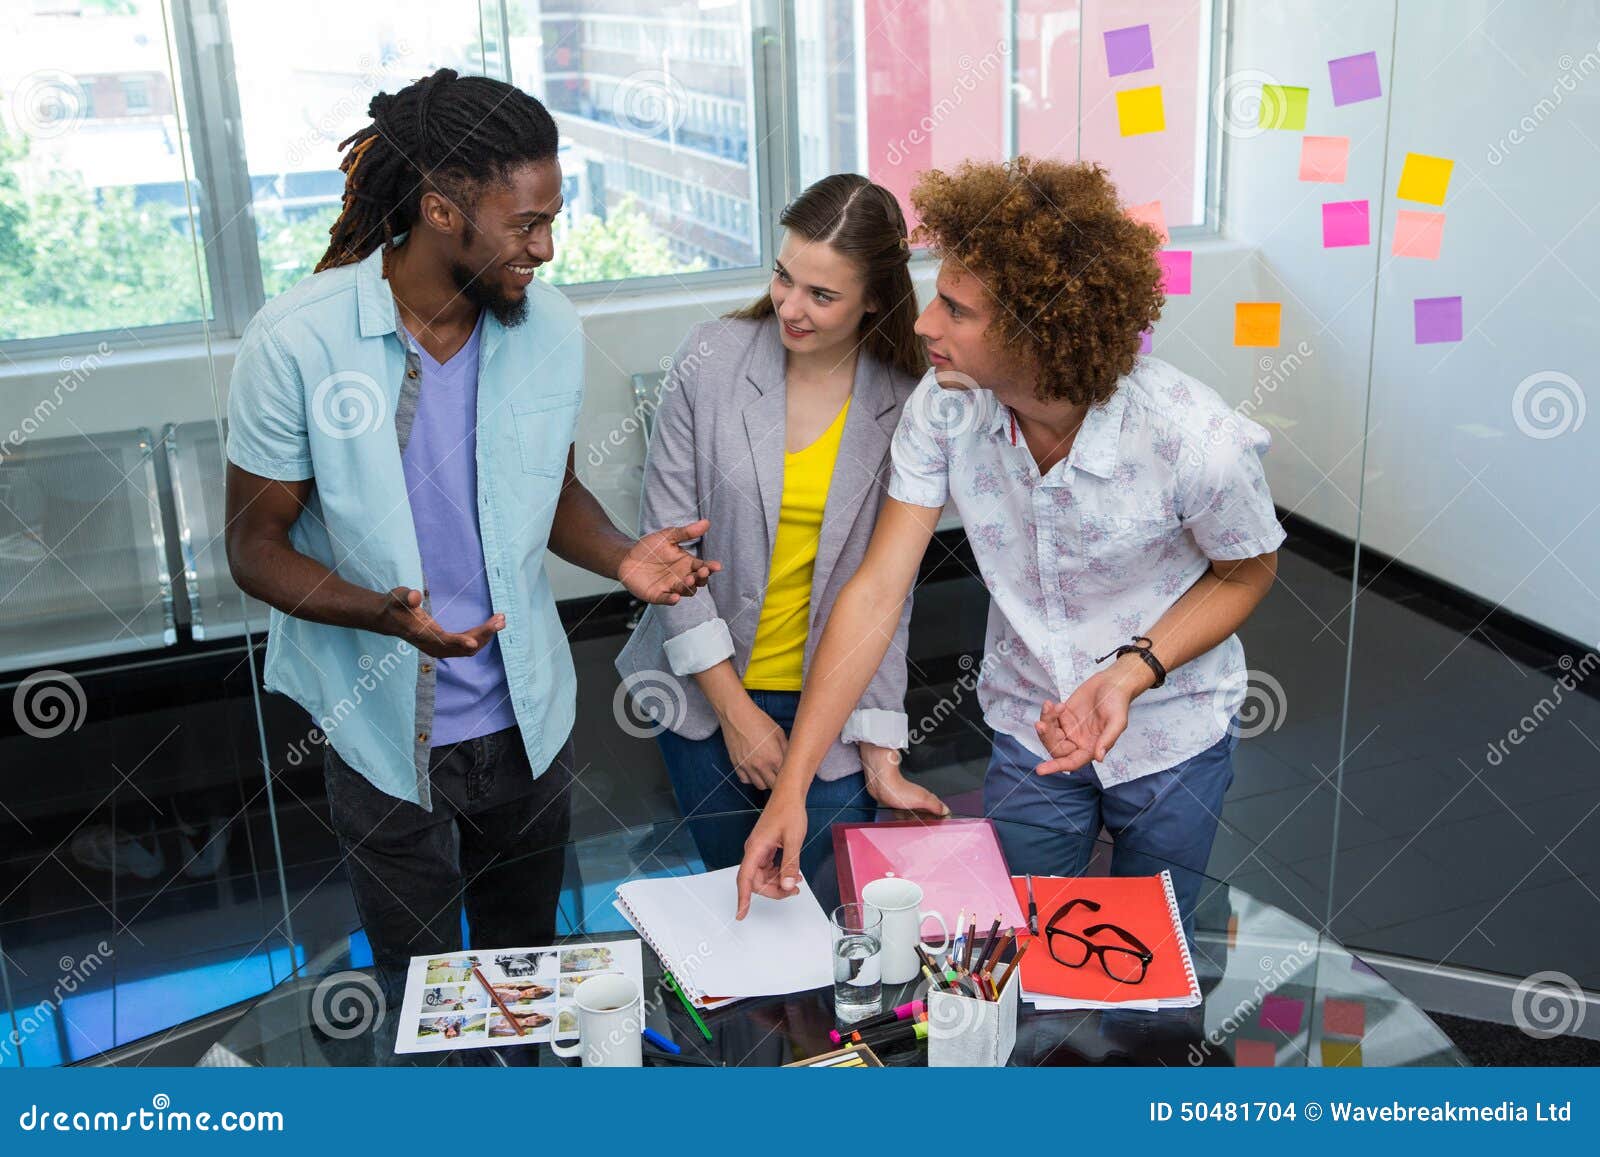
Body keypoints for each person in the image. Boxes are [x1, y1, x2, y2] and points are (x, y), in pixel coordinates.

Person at [224, 70, 718, 1000]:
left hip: (528, 718)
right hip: (381, 727)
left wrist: (621, 554)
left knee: (523, 976)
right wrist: (382, 615)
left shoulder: (549, 327)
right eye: (525, 224)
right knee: (426, 993)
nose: (547, 246)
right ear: (441, 211)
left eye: (552, 216)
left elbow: (554, 492)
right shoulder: (297, 342)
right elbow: (255, 545)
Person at [735, 157, 1285, 949]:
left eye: (957, 310)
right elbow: (878, 590)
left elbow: (1247, 569)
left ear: (1040, 331)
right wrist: (793, 786)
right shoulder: (945, 409)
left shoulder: (1194, 440)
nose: (924, 323)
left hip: (1173, 729)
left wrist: (1131, 671)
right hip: (1030, 723)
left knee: (1153, 956)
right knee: (1016, 951)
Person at [616, 174, 946, 876]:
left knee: (821, 907)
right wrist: (738, 716)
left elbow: (888, 594)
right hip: (708, 695)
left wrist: (882, 747)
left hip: (835, 705)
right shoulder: (709, 359)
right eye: (783, 277)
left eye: (822, 295)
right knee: (726, 906)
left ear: (874, 300)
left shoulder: (909, 405)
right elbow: (672, 558)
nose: (791, 307)